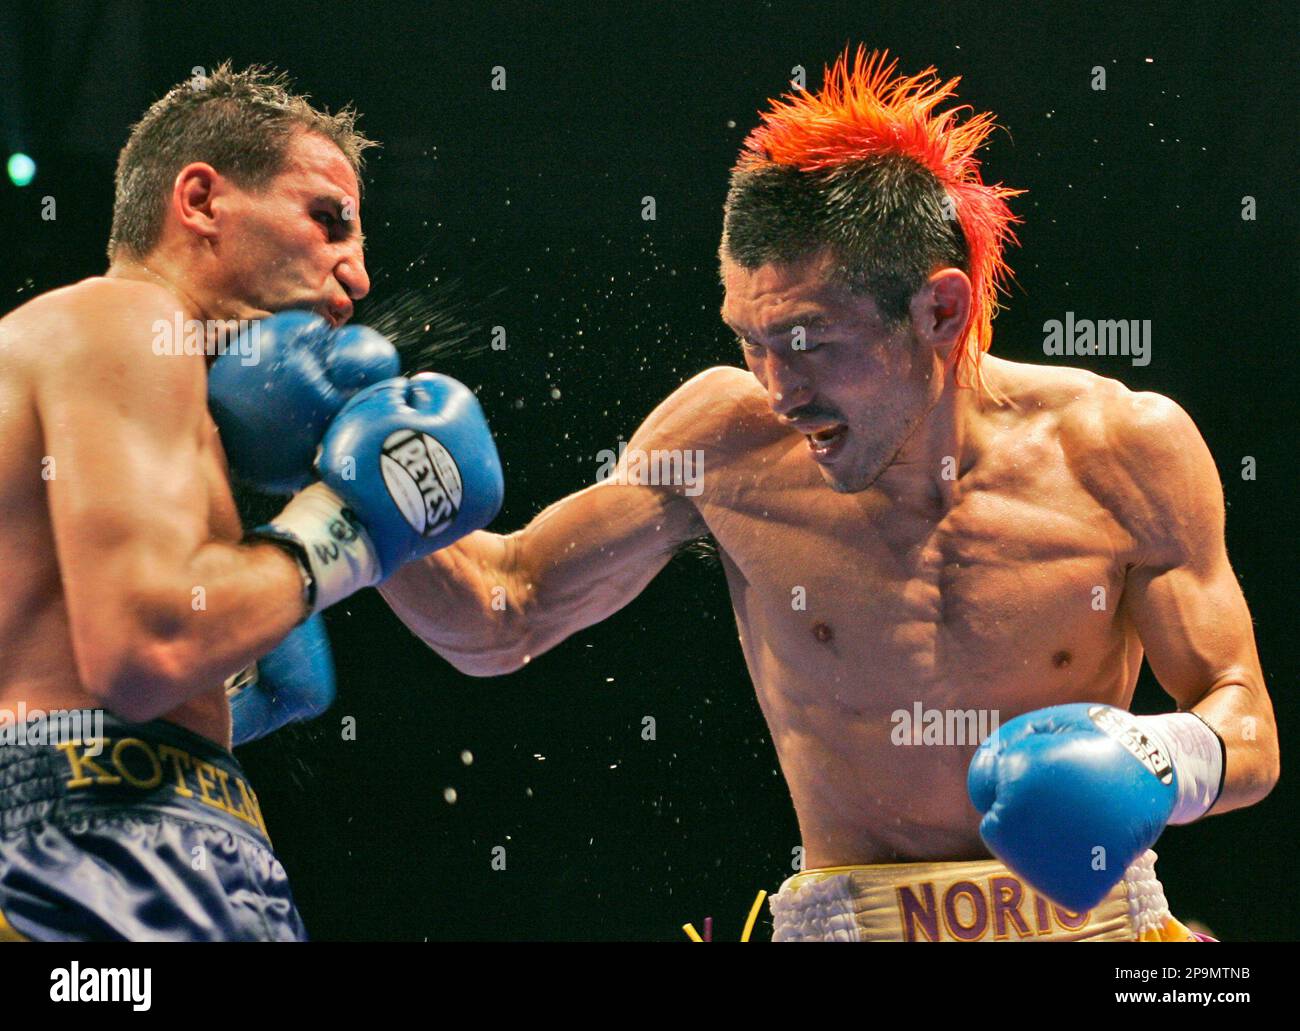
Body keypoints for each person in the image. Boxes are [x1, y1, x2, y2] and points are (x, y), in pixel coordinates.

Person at [377, 49, 1279, 941]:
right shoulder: (725, 443)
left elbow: (1246, 720)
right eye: (750, 340)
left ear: (939, 311)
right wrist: (355, 497)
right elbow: (506, 610)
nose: (776, 386)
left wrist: (1167, 757)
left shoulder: (1123, 450)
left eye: (806, 340)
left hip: (1105, 929)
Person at [0, 62, 502, 941]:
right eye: (328, 220)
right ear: (199, 201)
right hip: (102, 851)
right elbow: (146, 645)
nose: (358, 274)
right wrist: (344, 531)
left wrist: (232, 679)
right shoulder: (126, 321)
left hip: (139, 838)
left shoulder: (85, 368)